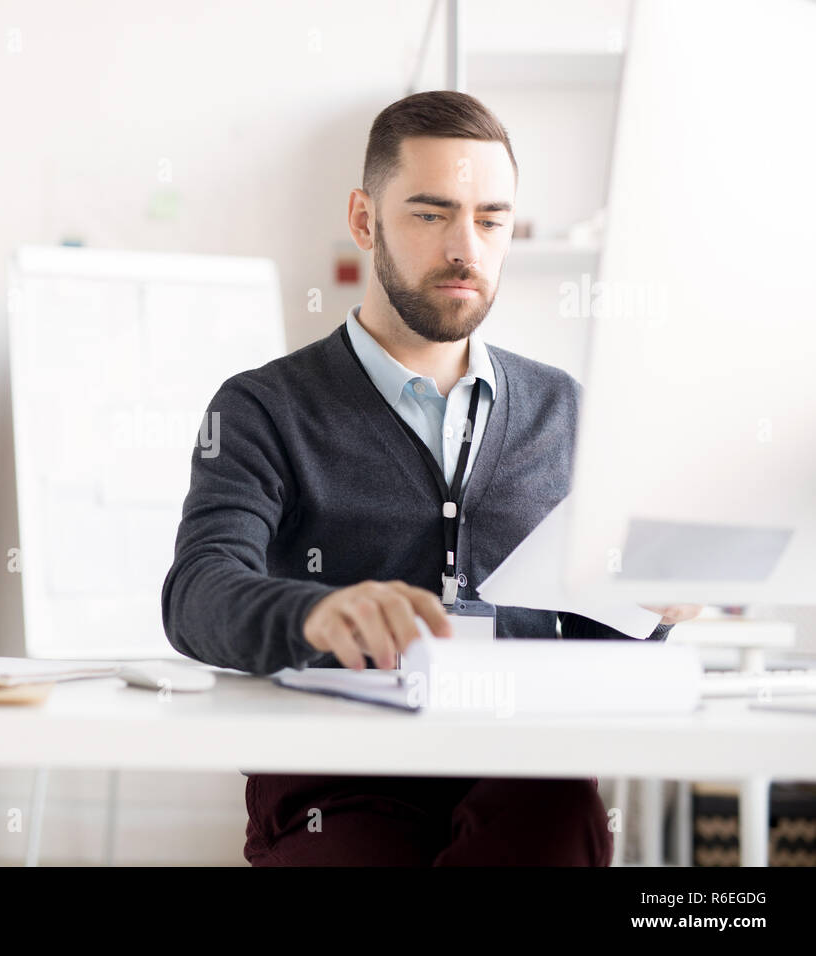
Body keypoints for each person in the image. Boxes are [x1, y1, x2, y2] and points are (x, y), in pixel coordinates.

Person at [160, 90, 700, 866]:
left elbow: (586, 640)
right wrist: (322, 613)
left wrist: (650, 605)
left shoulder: (564, 411)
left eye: (490, 219)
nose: (465, 248)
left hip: (523, 772)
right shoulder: (263, 407)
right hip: (334, 788)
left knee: (560, 816)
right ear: (363, 220)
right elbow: (197, 593)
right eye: (430, 213)